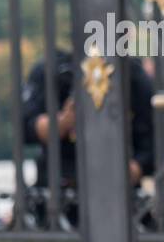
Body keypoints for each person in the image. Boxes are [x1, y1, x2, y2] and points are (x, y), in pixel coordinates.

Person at [21, 48, 156, 227]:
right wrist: (63, 122)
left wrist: (133, 169)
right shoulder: (53, 70)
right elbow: (25, 126)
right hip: (58, 199)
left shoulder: (131, 74)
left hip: (119, 200)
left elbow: (155, 142)